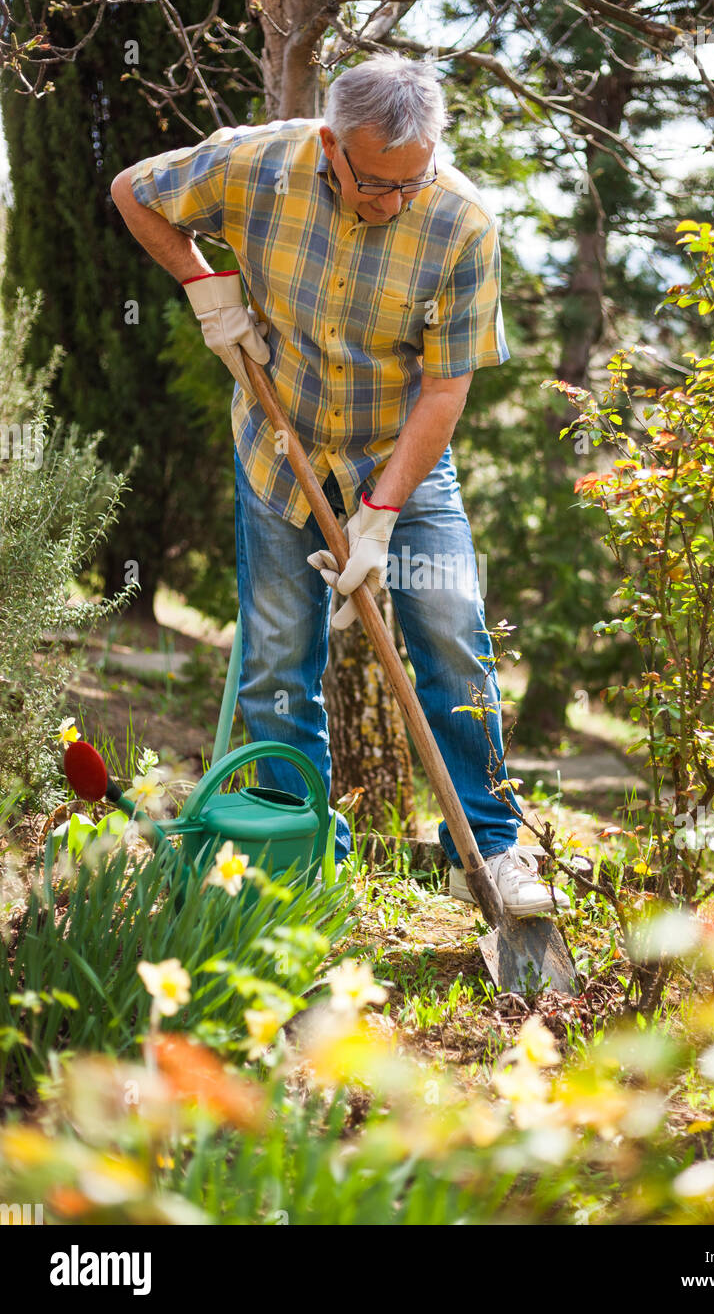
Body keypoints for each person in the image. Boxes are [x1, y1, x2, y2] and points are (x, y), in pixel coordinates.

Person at [110, 55, 567, 917]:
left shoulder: (462, 222)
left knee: (451, 636)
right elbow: (135, 189)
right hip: (278, 455)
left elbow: (446, 389)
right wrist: (204, 287)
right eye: (377, 184)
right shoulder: (258, 163)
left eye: (413, 181)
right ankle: (298, 845)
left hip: (401, 459)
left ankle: (495, 852)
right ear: (330, 144)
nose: (395, 201)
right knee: (279, 656)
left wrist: (381, 515)